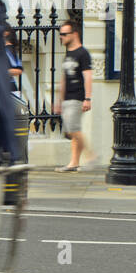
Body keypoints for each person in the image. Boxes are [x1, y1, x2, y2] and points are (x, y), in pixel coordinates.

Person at [53, 20, 98, 172]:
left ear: (74, 34)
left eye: (64, 34)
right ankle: (74, 162)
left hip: (77, 96)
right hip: (67, 97)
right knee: (73, 130)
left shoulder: (82, 53)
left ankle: (91, 155)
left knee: (73, 129)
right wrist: (59, 100)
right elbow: (64, 78)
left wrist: (88, 98)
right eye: (60, 35)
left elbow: (88, 76)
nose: (61, 37)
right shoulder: (69, 53)